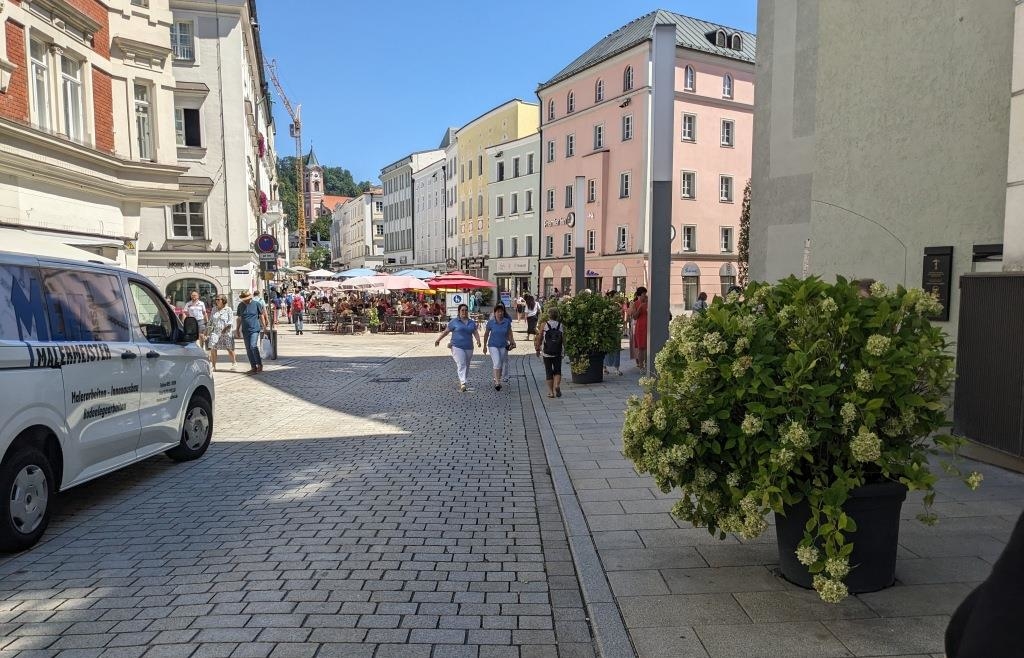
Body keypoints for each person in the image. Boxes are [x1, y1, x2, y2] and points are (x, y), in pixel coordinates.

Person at [435, 304, 481, 392]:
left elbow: (475, 332)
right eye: (462, 310)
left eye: (466, 310)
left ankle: (463, 380)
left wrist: (478, 341)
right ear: (459, 312)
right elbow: (446, 332)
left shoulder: (471, 322)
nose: (464, 312)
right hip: (457, 346)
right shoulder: (454, 322)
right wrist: (438, 340)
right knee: (461, 363)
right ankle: (463, 382)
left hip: (469, 346)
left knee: (467, 365)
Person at [483, 303, 516, 390]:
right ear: (495, 313)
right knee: (497, 362)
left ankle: (498, 380)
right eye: (498, 312)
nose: (500, 313)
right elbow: (486, 334)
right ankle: (497, 382)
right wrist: (484, 346)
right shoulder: (491, 323)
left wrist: (512, 342)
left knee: (500, 364)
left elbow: (509, 333)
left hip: (503, 345)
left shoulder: (507, 322)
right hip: (493, 345)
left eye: (501, 312)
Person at [235, 290, 268, 374]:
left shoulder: (256, 304)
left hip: (255, 329)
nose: (245, 300)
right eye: (243, 299)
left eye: (246, 299)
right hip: (245, 330)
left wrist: (264, 327)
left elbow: (261, 316)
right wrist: (237, 329)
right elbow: (239, 318)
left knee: (253, 346)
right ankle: (253, 367)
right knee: (248, 349)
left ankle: (259, 365)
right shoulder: (240, 305)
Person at [535, 307, 564, 398]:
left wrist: (537, 348)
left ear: (549, 315)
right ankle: (557, 385)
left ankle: (551, 393)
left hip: (546, 351)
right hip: (557, 351)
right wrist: (564, 349)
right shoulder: (560, 325)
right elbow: (563, 339)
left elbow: (540, 338)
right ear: (557, 315)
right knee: (557, 370)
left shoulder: (544, 325)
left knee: (548, 371)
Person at [206, 295, 236, 371]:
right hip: (215, 332)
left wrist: (225, 329)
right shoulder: (214, 309)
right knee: (213, 348)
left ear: (223, 300)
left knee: (229, 348)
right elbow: (211, 320)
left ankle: (234, 363)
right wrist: (207, 330)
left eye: (218, 299)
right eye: (216, 299)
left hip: (226, 332)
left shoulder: (228, 309)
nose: (217, 301)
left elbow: (230, 321)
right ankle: (213, 366)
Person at [603, 292, 624, 376]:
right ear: (611, 297)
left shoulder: (618, 305)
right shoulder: (606, 305)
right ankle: (604, 368)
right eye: (616, 296)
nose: (618, 297)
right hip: (608, 329)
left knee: (616, 349)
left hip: (616, 330)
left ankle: (616, 368)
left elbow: (621, 318)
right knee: (606, 348)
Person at [630, 287, 648, 370]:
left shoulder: (649, 302)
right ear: (640, 295)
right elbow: (635, 317)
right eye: (644, 294)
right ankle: (641, 366)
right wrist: (640, 308)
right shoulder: (635, 304)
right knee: (641, 348)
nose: (645, 296)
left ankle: (648, 364)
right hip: (640, 327)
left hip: (648, 327)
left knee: (648, 347)